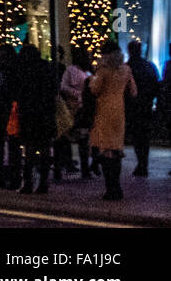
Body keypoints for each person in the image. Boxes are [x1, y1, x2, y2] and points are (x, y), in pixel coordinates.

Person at [90, 40, 137, 200]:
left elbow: (95, 90)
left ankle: (111, 188)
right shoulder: (126, 69)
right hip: (119, 110)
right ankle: (117, 187)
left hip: (104, 111)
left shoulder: (103, 70)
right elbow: (133, 91)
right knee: (116, 150)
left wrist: (92, 78)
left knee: (105, 150)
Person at [12, 43, 57, 194]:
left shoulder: (22, 71)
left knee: (29, 149)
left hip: (28, 114)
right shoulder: (47, 68)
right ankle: (43, 182)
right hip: (45, 113)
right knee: (44, 148)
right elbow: (53, 89)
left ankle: (29, 182)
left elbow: (18, 92)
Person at [57, 45, 92, 180]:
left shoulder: (88, 71)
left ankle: (84, 168)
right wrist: (79, 94)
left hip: (83, 109)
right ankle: (70, 164)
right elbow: (64, 87)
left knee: (83, 138)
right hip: (73, 108)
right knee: (69, 136)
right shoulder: (71, 71)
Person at [126, 40, 159, 177]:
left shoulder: (127, 67)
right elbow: (156, 84)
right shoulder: (149, 66)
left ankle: (141, 163)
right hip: (146, 106)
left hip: (133, 107)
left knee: (137, 136)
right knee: (144, 137)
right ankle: (143, 163)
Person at [0, 45, 20, 188]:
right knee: (12, 143)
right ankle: (13, 176)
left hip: (0, 109)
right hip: (11, 109)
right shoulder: (15, 72)